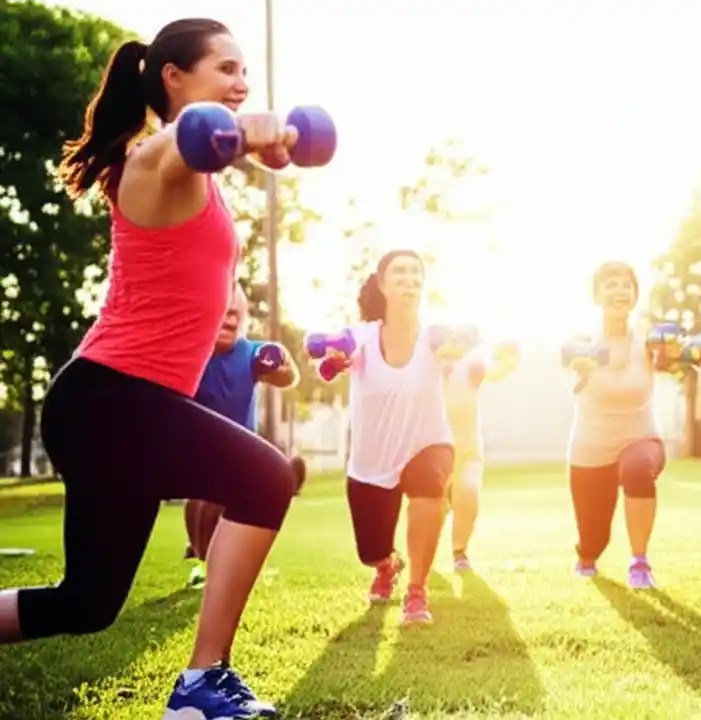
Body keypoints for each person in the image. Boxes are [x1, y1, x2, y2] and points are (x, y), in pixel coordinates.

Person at [0, 19, 299, 718]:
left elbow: (198, 143)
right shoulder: (153, 157)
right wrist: (243, 126)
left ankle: (202, 686)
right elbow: (180, 141)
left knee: (88, 602)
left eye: (244, 72)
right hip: (110, 398)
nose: (241, 83)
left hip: (117, 407)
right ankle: (202, 686)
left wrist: (247, 143)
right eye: (225, 68)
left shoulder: (195, 167)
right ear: (173, 77)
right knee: (265, 477)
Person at [324, 249, 457, 626]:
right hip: (371, 463)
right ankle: (387, 565)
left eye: (416, 272)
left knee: (428, 482)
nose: (409, 279)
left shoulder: (434, 335)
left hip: (428, 445)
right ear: (381, 284)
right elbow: (330, 357)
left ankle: (417, 592)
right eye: (399, 272)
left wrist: (456, 352)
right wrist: (336, 358)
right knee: (370, 550)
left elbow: (454, 348)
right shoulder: (361, 337)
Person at [185, 284, 306, 589]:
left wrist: (282, 363)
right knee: (198, 501)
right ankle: (200, 557)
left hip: (238, 447)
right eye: (220, 312)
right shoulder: (190, 351)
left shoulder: (253, 353)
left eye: (234, 314)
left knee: (219, 500)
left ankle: (211, 562)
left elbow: (287, 375)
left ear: (244, 318)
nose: (227, 320)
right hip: (195, 445)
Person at [565, 261, 665, 589]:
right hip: (591, 449)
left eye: (625, 285)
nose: (619, 291)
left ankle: (639, 562)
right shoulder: (583, 338)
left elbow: (675, 357)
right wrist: (580, 361)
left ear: (635, 295)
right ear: (597, 295)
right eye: (610, 285)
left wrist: (675, 356)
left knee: (637, 469)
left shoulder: (649, 339)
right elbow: (568, 352)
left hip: (641, 438)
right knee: (593, 541)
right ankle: (587, 554)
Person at [442, 334, 519, 573]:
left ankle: (459, 551)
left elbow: (498, 371)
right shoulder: (425, 369)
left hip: (467, 453)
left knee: (468, 495)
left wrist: (511, 356)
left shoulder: (472, 367)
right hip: (433, 455)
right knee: (436, 509)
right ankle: (424, 550)